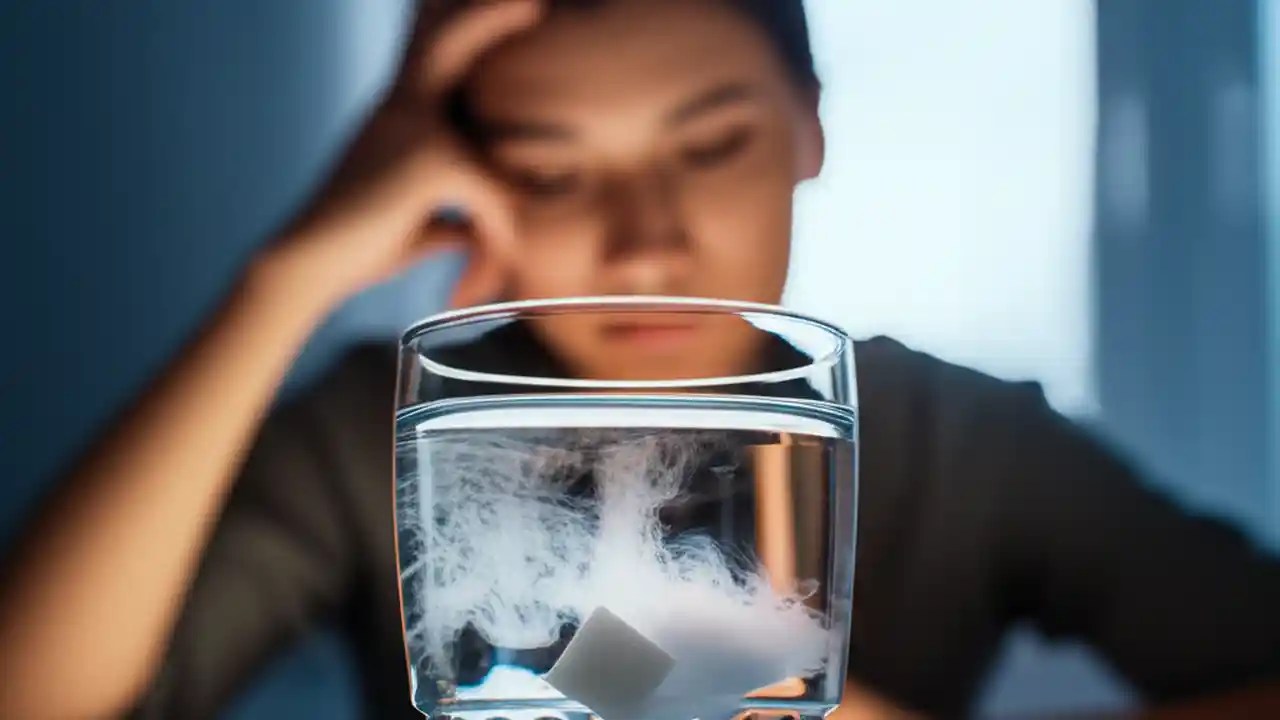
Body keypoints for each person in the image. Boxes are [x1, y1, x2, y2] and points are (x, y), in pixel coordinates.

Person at [1, 0, 1277, 718]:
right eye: (553, 172)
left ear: (807, 126)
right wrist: (282, 278)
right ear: (460, 183)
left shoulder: (959, 442)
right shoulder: (380, 431)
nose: (644, 241)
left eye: (709, 146)